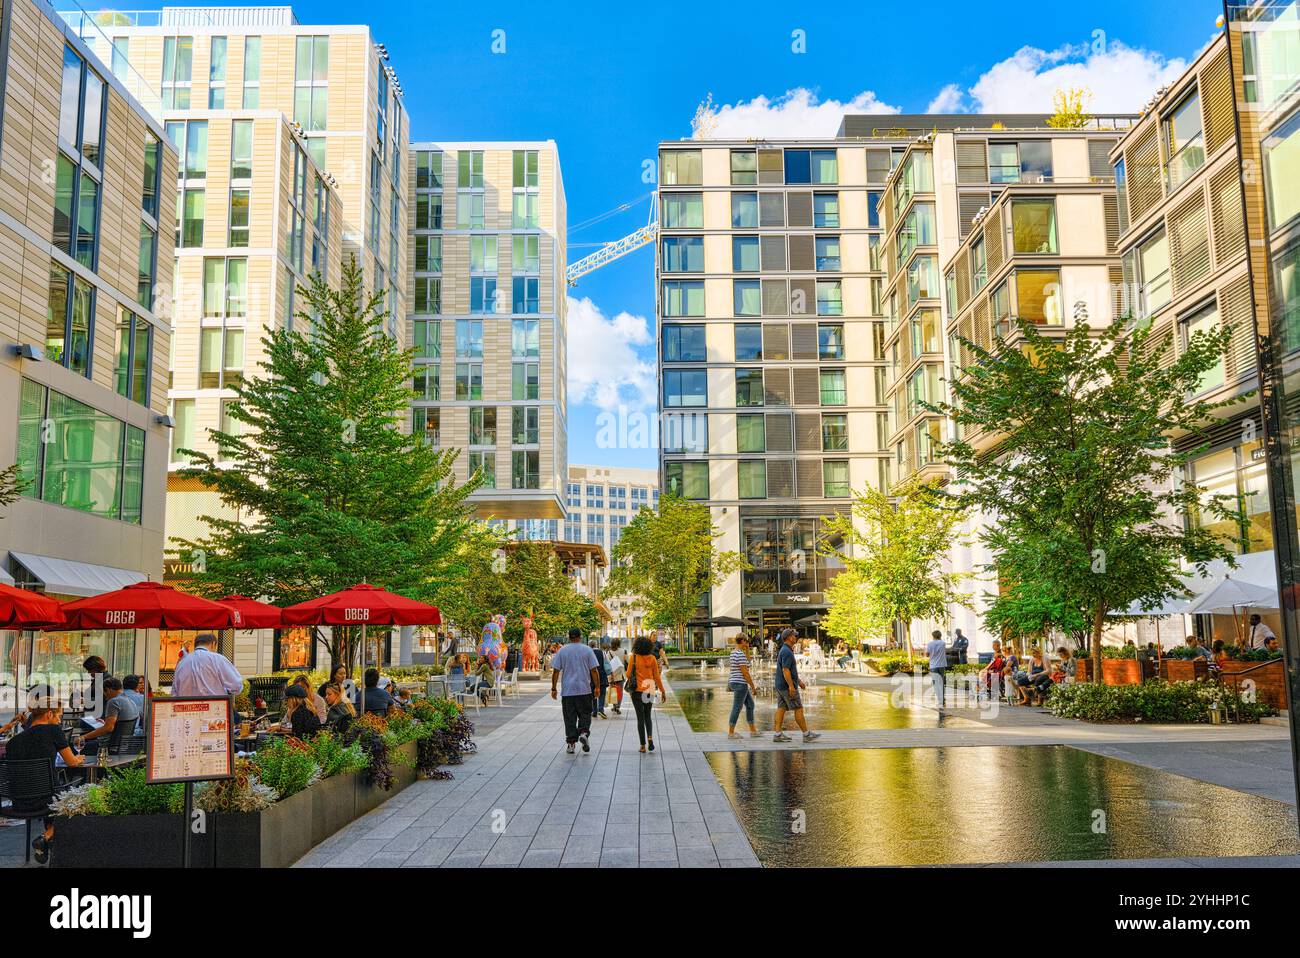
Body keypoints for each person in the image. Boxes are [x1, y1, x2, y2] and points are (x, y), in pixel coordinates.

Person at [6, 700, 83, 863]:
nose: (59, 721)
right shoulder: (53, 730)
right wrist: (79, 757)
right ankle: (46, 836)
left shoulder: (13, 742)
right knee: (83, 795)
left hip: (19, 802)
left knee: (53, 794)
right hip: (48, 801)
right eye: (59, 716)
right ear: (49, 714)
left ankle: (46, 845)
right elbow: (72, 763)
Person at [550, 628, 600, 754]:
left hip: (568, 692)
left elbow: (556, 670)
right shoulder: (587, 650)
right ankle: (583, 733)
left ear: (569, 636)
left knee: (569, 718)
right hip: (584, 690)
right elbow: (594, 670)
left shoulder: (563, 650)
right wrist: (598, 687)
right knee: (585, 714)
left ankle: (571, 744)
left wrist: (554, 688)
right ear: (580, 636)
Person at [773, 627, 819, 744]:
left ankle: (778, 734)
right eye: (794, 635)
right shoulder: (787, 651)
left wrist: (799, 682)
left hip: (780, 685)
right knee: (798, 708)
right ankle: (806, 734)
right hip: (786, 686)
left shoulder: (785, 650)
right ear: (789, 638)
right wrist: (792, 687)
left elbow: (790, 671)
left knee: (781, 708)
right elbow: (786, 670)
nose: (796, 637)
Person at [172, 633, 243, 698]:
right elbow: (237, 685)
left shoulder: (182, 663)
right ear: (213, 644)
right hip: (215, 708)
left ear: (195, 645)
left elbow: (174, 693)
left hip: (186, 709)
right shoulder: (218, 659)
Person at [626, 635, 666, 753]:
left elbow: (628, 675)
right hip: (649, 688)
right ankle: (650, 739)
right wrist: (663, 691)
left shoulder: (633, 657)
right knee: (648, 716)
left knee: (640, 717)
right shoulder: (653, 658)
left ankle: (642, 746)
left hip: (637, 690)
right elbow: (657, 677)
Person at [80, 677, 140, 754]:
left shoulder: (113, 702)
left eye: (104, 692)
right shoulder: (130, 701)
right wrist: (104, 723)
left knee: (75, 746)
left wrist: (83, 737)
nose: (104, 696)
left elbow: (108, 728)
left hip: (109, 746)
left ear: (108, 690)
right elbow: (119, 724)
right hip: (124, 746)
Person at [726, 635, 761, 739]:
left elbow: (748, 662)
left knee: (750, 704)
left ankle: (753, 731)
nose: (748, 643)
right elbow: (745, 673)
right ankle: (731, 733)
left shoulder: (734, 652)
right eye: (746, 641)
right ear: (742, 641)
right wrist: (753, 687)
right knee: (737, 707)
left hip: (735, 682)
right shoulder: (739, 654)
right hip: (740, 683)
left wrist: (747, 650)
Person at [926, 630, 948, 710]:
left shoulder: (930, 644)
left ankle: (940, 701)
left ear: (933, 636)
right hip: (942, 665)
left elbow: (927, 654)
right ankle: (943, 699)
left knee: (936, 684)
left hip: (933, 666)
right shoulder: (943, 643)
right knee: (941, 683)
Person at [606, 638, 626, 715]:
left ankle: (614, 706)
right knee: (620, 691)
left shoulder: (609, 652)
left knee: (614, 691)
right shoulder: (623, 651)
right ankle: (618, 706)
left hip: (612, 675)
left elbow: (607, 663)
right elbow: (627, 660)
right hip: (621, 675)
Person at [589, 640, 609, 719]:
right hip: (602, 675)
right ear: (597, 644)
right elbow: (606, 663)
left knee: (593, 693)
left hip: (591, 676)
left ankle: (594, 711)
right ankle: (601, 709)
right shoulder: (602, 652)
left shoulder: (588, 653)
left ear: (589, 645)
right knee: (602, 692)